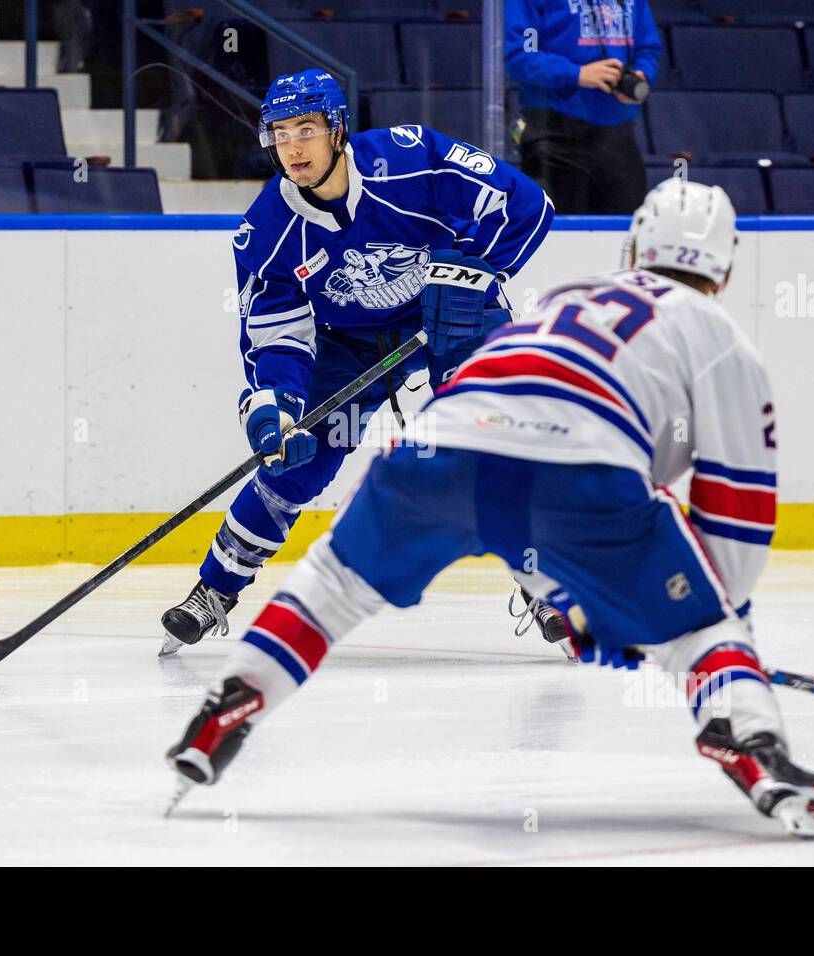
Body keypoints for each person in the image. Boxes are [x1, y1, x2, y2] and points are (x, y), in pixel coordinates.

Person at [163, 178, 814, 839]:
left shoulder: (570, 296)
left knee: (336, 585)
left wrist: (584, 592)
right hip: (581, 468)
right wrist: (708, 627)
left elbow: (504, 430)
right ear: (724, 269)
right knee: (702, 629)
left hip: (439, 444)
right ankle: (754, 745)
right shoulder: (721, 338)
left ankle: (233, 696)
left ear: (632, 247)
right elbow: (733, 507)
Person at [158, 69, 558, 655]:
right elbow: (278, 336)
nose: (293, 146)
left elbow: (526, 204)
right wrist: (277, 406)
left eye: (307, 129)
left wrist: (473, 271)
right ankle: (214, 591)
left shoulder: (414, 159)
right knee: (296, 465)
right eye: (281, 133)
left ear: (337, 130)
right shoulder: (265, 233)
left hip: (448, 310)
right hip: (345, 345)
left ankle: (545, 583)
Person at [505, 0, 661, 215]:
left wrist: (643, 74)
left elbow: (648, 49)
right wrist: (577, 74)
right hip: (554, 135)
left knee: (626, 235)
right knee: (557, 236)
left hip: (617, 135)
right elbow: (519, 55)